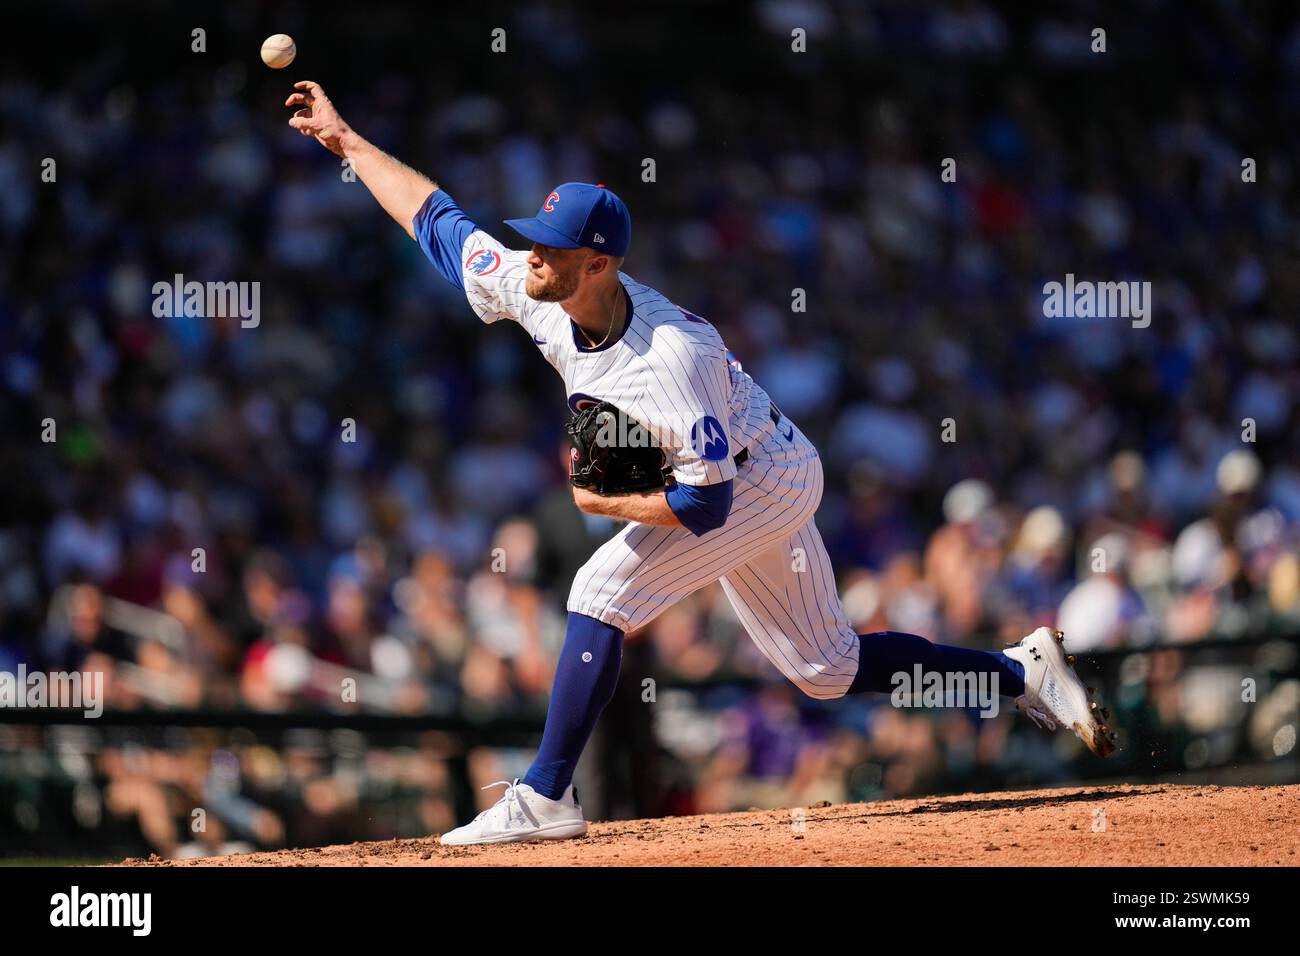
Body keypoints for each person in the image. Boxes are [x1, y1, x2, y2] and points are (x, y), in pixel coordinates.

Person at [284, 80, 1116, 846]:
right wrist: (350, 141)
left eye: (548, 246)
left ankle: (544, 797)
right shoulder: (536, 289)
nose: (528, 254)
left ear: (599, 265)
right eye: (531, 241)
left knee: (596, 590)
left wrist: (611, 505)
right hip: (754, 465)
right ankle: (1018, 671)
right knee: (827, 670)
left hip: (757, 478)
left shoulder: (668, 358)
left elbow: (707, 509)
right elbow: (438, 221)